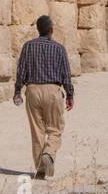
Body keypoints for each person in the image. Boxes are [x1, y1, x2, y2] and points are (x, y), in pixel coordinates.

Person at [13, 15, 74, 179]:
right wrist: (70, 95)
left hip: (32, 90)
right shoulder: (59, 48)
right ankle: (49, 152)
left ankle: (40, 169)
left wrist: (17, 91)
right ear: (51, 29)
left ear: (38, 29)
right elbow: (66, 74)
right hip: (53, 90)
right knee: (55, 129)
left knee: (37, 130)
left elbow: (21, 71)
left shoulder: (28, 46)